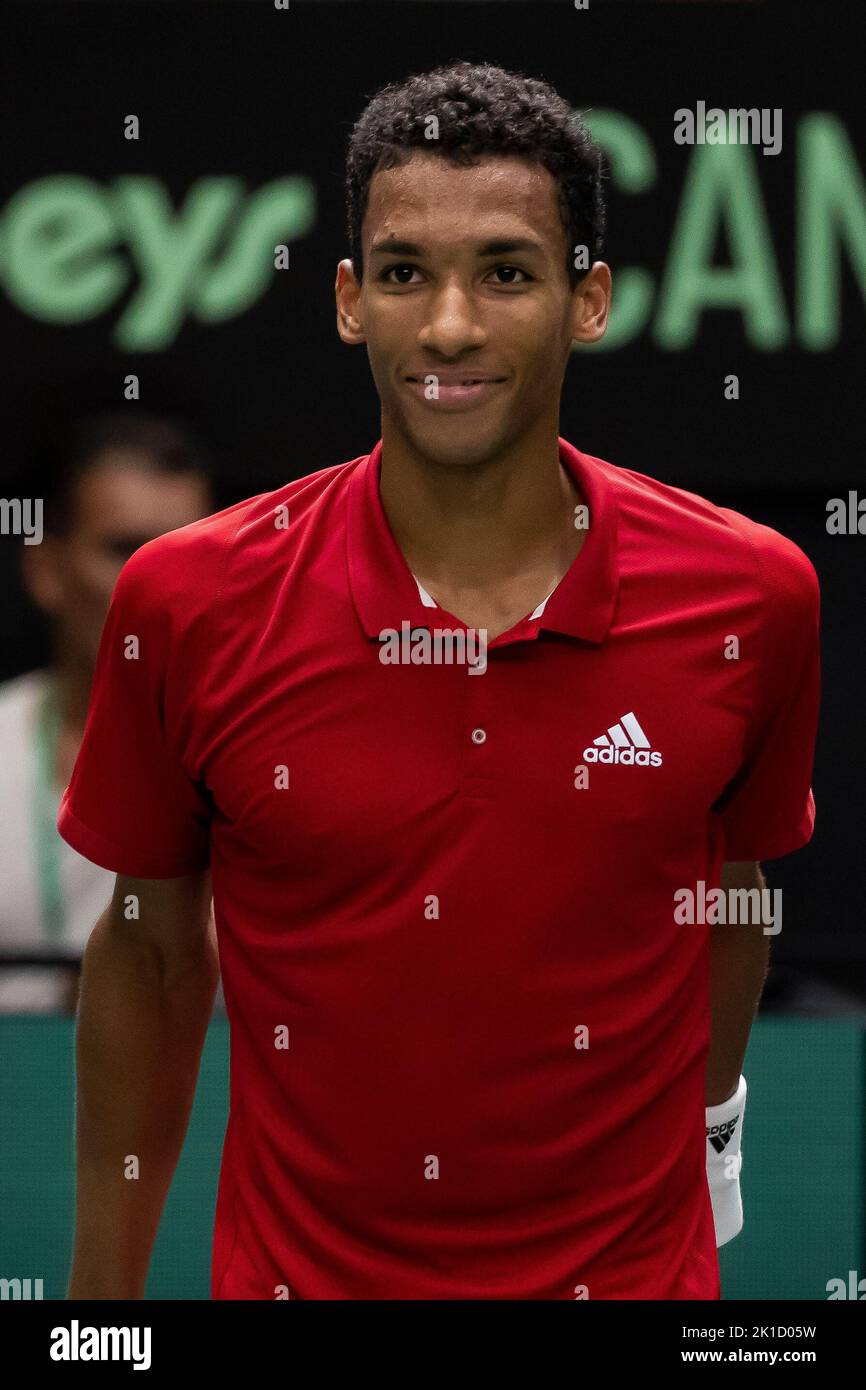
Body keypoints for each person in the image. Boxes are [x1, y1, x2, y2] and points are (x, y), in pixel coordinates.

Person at [58, 63, 820, 1300]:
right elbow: (148, 950)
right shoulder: (187, 601)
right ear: (351, 299)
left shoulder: (753, 596)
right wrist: (99, 1321)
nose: (450, 327)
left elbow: (727, 882)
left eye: (508, 274)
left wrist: (714, 1128)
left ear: (590, 301)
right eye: (405, 273)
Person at [0, 411, 214, 1012]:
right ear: (45, 570)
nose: (162, 585)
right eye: (126, 550)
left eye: (190, 552)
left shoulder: (278, 767)